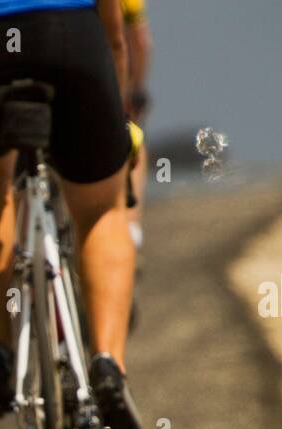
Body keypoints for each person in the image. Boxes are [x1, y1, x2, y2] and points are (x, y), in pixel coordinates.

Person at [0, 0, 142, 429]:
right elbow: (115, 30)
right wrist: (114, 113)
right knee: (100, 209)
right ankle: (108, 366)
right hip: (70, 36)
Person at [121, 0, 153, 251]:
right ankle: (131, 229)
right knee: (134, 141)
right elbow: (141, 42)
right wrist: (137, 88)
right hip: (103, 80)